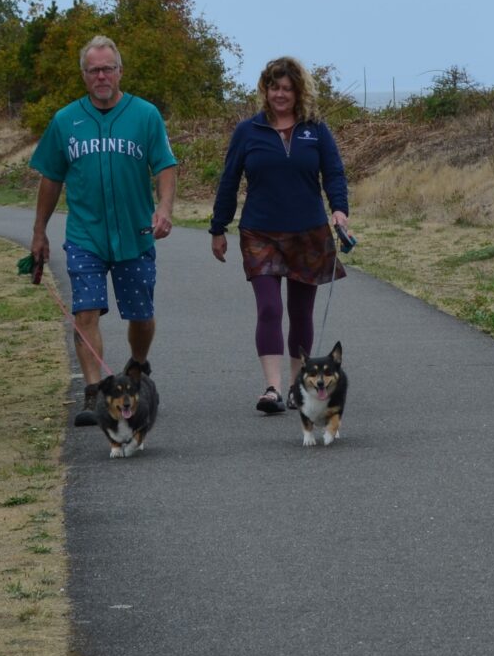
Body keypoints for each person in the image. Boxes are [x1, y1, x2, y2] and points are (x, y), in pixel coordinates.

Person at [30, 35, 177, 426]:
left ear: (119, 72)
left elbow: (165, 164)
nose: (101, 76)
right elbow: (50, 178)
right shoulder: (66, 121)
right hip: (85, 237)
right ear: (84, 75)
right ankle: (94, 391)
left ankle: (138, 366)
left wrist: (163, 208)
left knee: (140, 316)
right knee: (85, 312)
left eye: (107, 68)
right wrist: (39, 233)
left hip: (135, 235)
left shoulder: (145, 115)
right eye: (93, 70)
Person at [209, 57, 352, 414]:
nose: (280, 94)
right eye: (274, 87)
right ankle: (271, 388)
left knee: (301, 313)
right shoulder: (248, 131)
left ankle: (295, 387)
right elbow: (229, 181)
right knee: (270, 308)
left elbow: (333, 173)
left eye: (287, 88)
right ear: (265, 90)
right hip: (260, 232)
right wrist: (218, 227)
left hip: (308, 231)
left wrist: (339, 210)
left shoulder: (315, 130)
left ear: (298, 91)